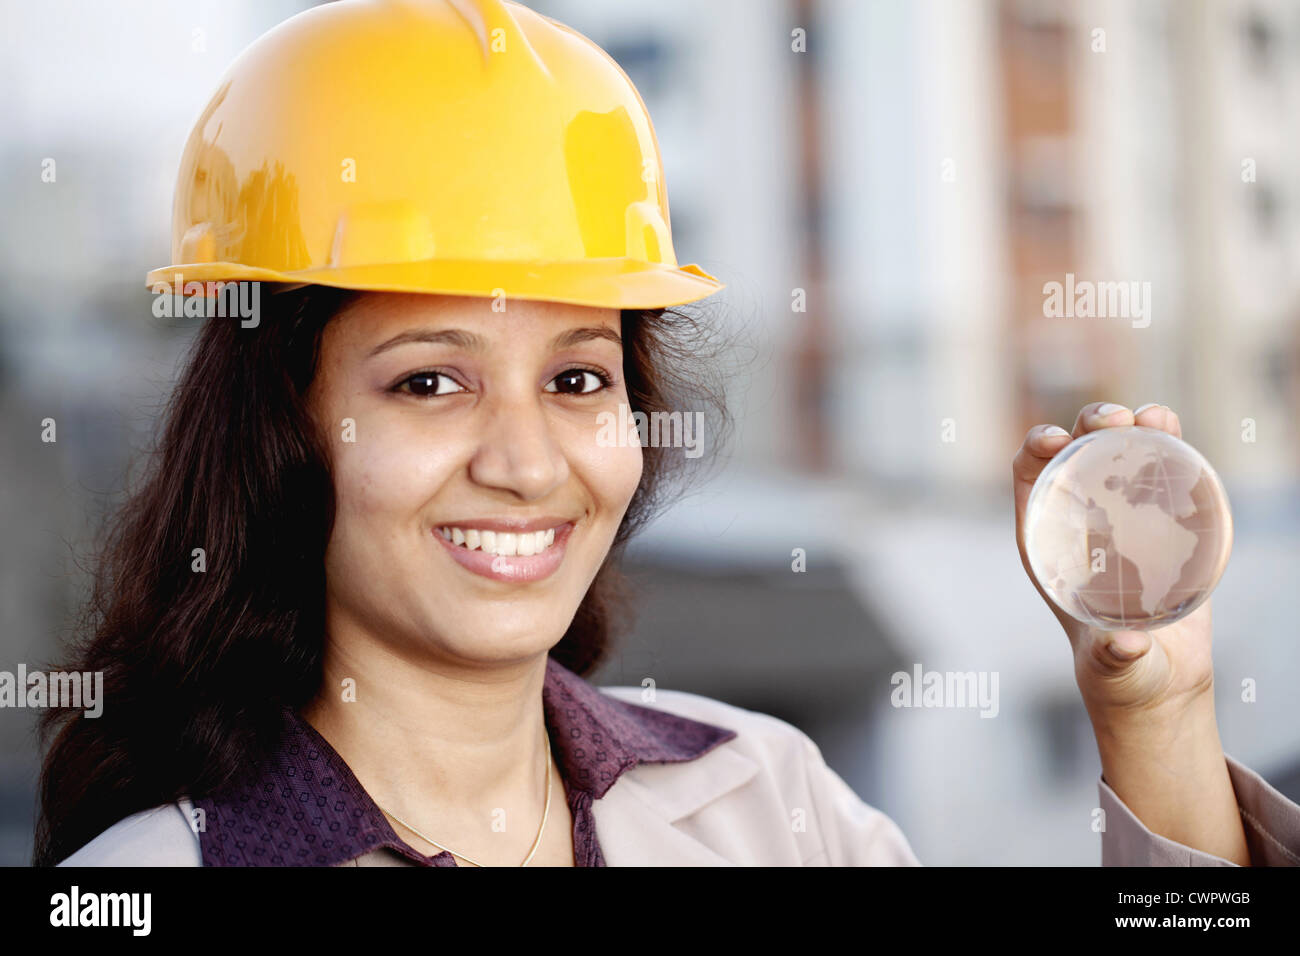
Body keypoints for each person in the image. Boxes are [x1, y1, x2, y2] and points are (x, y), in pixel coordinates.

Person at [36, 0, 1300, 867]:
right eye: (430, 383)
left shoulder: (764, 799)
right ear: (281, 431)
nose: (527, 462)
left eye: (579, 380)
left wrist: (1155, 711)